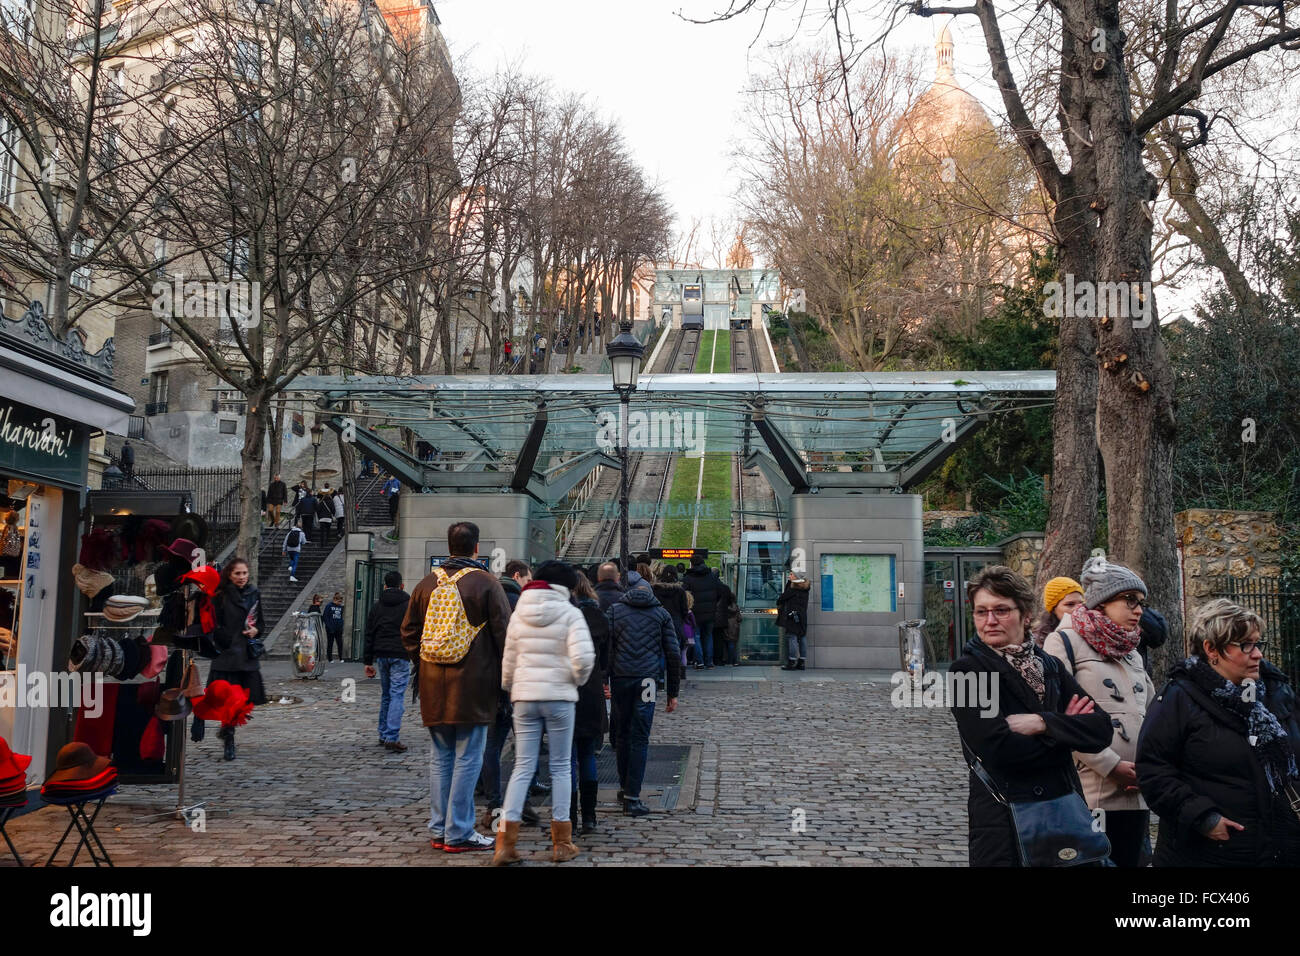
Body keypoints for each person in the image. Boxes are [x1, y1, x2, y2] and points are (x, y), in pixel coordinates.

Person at [950, 565, 1112, 866]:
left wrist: (1042, 722)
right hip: (1005, 822)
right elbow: (1000, 751)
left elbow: (1101, 730)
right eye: (981, 611)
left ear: (1025, 615)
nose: (990, 620)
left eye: (1001, 610)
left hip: (1062, 811)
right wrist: (1065, 730)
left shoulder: (1048, 664)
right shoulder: (968, 672)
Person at [1137, 599, 1300, 866]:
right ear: (1211, 649)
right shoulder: (1179, 698)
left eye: (1258, 644)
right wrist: (1203, 818)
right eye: (1246, 645)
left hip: (1280, 848)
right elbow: (1154, 770)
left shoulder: (1276, 693)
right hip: (1212, 853)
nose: (1257, 654)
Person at [400, 521, 511, 853]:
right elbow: (505, 636)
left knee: (441, 757)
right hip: (474, 685)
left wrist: (427, 661)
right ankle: (459, 831)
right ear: (476, 548)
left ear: (449, 546)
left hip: (434, 685)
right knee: (468, 758)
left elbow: (408, 633)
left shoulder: (425, 585)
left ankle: (439, 827)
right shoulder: (487, 583)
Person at [1042, 556, 1153, 867]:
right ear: (1102, 602)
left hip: (1136, 795)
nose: (1139, 609)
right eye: (1130, 600)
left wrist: (1149, 766)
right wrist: (1111, 765)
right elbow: (1060, 719)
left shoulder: (1132, 651)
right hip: (1088, 795)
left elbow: (1149, 714)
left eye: (1141, 602)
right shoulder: (1063, 642)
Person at [493, 560, 594, 865]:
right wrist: (573, 681)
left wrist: (513, 687)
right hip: (559, 698)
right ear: (565, 587)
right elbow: (584, 659)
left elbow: (508, 660)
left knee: (522, 766)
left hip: (524, 697)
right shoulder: (570, 613)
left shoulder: (520, 612)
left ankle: (505, 844)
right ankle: (561, 842)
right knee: (561, 767)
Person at [607, 569, 679, 816]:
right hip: (647, 681)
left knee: (622, 735)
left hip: (621, 678)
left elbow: (606, 647)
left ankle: (623, 786)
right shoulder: (661, 613)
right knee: (640, 736)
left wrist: (605, 679)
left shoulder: (615, 611)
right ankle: (633, 796)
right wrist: (672, 691)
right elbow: (673, 654)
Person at [480, 559, 532, 827]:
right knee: (525, 745)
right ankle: (524, 802)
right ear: (517, 575)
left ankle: (494, 802)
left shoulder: (486, 598)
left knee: (492, 746)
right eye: (526, 578)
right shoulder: (520, 602)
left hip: (491, 682)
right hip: (517, 683)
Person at [207, 557, 267, 762]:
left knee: (246, 700)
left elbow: (261, 622)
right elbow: (213, 625)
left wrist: (256, 630)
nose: (242, 577)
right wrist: (223, 639)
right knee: (230, 701)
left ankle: (227, 729)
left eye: (244, 573)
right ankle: (229, 738)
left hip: (247, 654)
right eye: (237, 574)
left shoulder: (254, 593)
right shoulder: (220, 595)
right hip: (227, 655)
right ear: (229, 575)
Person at [570, 574, 610, 835]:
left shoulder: (564, 617)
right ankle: (591, 816)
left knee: (566, 759)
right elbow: (606, 661)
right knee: (587, 755)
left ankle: (569, 818)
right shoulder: (600, 618)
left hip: (566, 691)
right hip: (592, 690)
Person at [364, 571, 412, 753]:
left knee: (386, 695)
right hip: (400, 653)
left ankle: (383, 733)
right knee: (397, 694)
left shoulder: (377, 606)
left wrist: (367, 662)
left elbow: (370, 634)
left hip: (382, 654)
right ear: (402, 585)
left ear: (384, 586)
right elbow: (415, 629)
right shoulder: (408, 605)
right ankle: (392, 736)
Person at [682, 556, 721, 669]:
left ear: (692, 564)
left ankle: (699, 661)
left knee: (696, 636)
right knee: (709, 636)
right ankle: (709, 662)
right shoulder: (712, 576)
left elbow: (684, 594)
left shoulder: (688, 578)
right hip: (710, 612)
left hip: (695, 613)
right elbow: (719, 592)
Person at [653, 566, 690, 682]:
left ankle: (660, 679)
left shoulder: (655, 589)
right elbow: (684, 610)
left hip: (659, 622)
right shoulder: (680, 591)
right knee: (675, 652)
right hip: (676, 624)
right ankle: (673, 678)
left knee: (661, 652)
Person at [1032, 576, 1085, 644]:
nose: (1079, 609)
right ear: (1053, 609)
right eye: (1070, 604)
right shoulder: (1038, 641)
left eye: (1081, 604)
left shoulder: (1092, 633)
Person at [777, 574, 811, 670]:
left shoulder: (793, 590)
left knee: (792, 638)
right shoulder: (805, 589)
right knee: (802, 637)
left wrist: (789, 583)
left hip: (792, 617)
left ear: (796, 577)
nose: (789, 575)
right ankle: (801, 662)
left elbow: (781, 598)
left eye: (791, 574)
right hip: (802, 617)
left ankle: (792, 662)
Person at [716, 576, 740, 666]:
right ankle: (733, 660)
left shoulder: (724, 607)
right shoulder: (736, 607)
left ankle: (727, 660)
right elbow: (740, 618)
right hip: (734, 627)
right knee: (732, 644)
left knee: (726, 644)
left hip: (726, 626)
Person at [323, 591, 345, 662]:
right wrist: (329, 627)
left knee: (340, 643)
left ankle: (341, 657)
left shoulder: (340, 607)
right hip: (330, 628)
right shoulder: (329, 606)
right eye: (339, 601)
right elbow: (325, 617)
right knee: (330, 643)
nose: (340, 603)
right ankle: (330, 658)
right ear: (335, 600)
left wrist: (341, 625)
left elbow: (341, 617)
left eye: (341, 602)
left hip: (338, 628)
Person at [282, 519, 306, 583]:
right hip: (296, 549)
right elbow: (304, 542)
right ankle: (292, 576)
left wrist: (284, 550)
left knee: (292, 559)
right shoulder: (301, 533)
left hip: (289, 549)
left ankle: (290, 566)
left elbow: (285, 541)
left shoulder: (290, 532)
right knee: (295, 562)